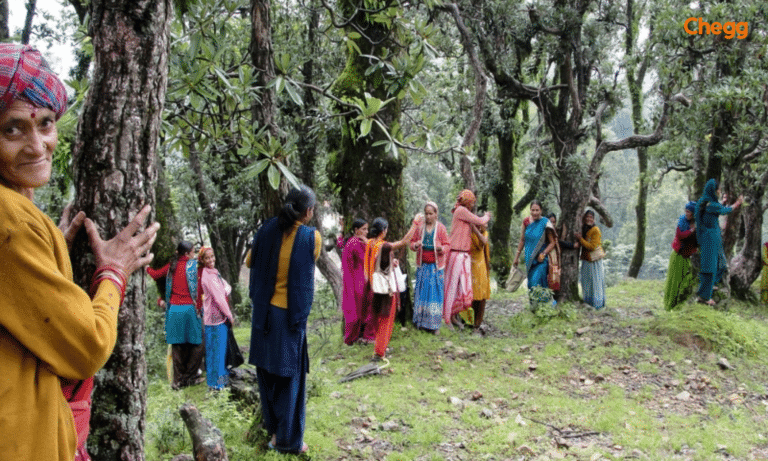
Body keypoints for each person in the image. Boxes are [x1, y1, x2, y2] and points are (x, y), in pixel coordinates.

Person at [0, 44, 160, 461]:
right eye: (11, 130)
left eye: (46, 124)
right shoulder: (10, 221)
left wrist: (48, 250)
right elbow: (86, 346)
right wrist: (114, 272)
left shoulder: (18, 215)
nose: (37, 146)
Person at [248, 185, 321, 455]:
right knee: (291, 379)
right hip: (289, 317)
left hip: (263, 315)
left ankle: (275, 433)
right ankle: (288, 441)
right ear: (308, 211)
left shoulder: (265, 229)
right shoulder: (311, 238)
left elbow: (248, 262)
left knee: (267, 375)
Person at [148, 241, 205, 389]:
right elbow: (198, 290)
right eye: (193, 251)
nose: (194, 254)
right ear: (187, 254)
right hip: (189, 310)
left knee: (177, 346)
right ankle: (190, 377)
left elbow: (154, 275)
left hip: (174, 310)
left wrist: (145, 266)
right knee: (197, 343)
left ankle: (177, 381)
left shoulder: (171, 266)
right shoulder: (193, 266)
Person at [365, 217, 418, 360]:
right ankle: (379, 352)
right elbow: (404, 242)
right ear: (383, 231)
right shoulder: (384, 245)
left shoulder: (370, 243)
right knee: (386, 319)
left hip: (372, 286)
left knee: (378, 318)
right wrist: (415, 224)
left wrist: (391, 261)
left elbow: (377, 261)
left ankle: (381, 347)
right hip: (385, 289)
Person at [444, 190, 491, 328]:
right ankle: (448, 319)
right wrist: (486, 216)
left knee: (461, 289)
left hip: (463, 254)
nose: (472, 205)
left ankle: (453, 317)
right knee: (452, 288)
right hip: (456, 253)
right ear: (467, 202)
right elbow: (480, 220)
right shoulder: (461, 211)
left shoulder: (463, 213)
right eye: (472, 202)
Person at [695, 179, 743, 306]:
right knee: (709, 266)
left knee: (720, 263)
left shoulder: (705, 202)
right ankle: (704, 296)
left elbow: (716, 208)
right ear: (714, 190)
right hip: (710, 239)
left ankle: (710, 286)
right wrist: (737, 203)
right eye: (718, 189)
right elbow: (724, 210)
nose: (720, 191)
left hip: (711, 238)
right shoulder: (710, 204)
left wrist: (723, 202)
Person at [197, 246, 235, 390]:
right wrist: (229, 316)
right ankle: (220, 385)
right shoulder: (210, 276)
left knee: (212, 352)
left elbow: (226, 287)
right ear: (202, 260)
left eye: (212, 256)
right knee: (219, 353)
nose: (211, 260)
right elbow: (219, 299)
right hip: (217, 319)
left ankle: (212, 383)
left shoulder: (210, 273)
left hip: (209, 319)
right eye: (207, 258)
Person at [410, 201, 450, 334]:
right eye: (426, 213)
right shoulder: (419, 228)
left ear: (436, 214)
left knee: (434, 295)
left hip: (435, 267)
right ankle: (421, 322)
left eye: (431, 214)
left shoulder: (441, 228)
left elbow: (447, 245)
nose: (428, 216)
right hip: (423, 267)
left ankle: (434, 325)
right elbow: (411, 242)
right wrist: (415, 245)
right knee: (422, 293)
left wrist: (441, 249)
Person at [513, 200, 558, 301]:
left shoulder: (545, 222)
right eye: (533, 210)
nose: (535, 212)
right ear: (530, 210)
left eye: (537, 210)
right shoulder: (526, 222)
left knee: (536, 282)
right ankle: (534, 307)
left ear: (541, 211)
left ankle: (544, 306)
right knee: (530, 284)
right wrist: (516, 257)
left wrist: (543, 253)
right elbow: (522, 240)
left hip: (540, 260)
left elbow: (552, 242)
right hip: (529, 259)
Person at [662, 202, 698, 310]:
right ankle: (670, 305)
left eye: (689, 212)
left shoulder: (698, 223)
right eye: (686, 211)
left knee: (684, 281)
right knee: (674, 281)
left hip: (688, 256)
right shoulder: (682, 220)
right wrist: (692, 230)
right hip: (678, 255)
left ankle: (679, 303)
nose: (686, 213)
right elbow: (681, 235)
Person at [341, 218, 371, 345]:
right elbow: (349, 265)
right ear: (356, 230)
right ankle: (353, 337)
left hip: (361, 279)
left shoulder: (360, 242)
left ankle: (361, 336)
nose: (366, 232)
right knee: (357, 309)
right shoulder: (353, 243)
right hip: (356, 280)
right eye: (363, 229)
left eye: (367, 229)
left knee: (363, 308)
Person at [575, 209, 606, 309]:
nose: (589, 219)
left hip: (594, 261)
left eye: (591, 217)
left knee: (595, 281)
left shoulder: (595, 230)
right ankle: (588, 301)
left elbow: (592, 246)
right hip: (586, 260)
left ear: (594, 219)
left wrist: (580, 239)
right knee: (587, 281)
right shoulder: (585, 228)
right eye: (587, 217)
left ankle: (597, 304)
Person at [469, 222, 491, 327]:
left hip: (481, 266)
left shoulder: (485, 233)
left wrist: (488, 269)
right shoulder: (469, 233)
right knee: (471, 295)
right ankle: (469, 321)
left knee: (481, 294)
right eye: (484, 224)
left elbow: (482, 245)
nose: (486, 226)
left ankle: (478, 322)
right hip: (470, 265)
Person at [761, 241, 768, 305]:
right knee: (765, 284)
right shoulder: (766, 245)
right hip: (767, 267)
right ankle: (764, 300)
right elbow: (764, 256)